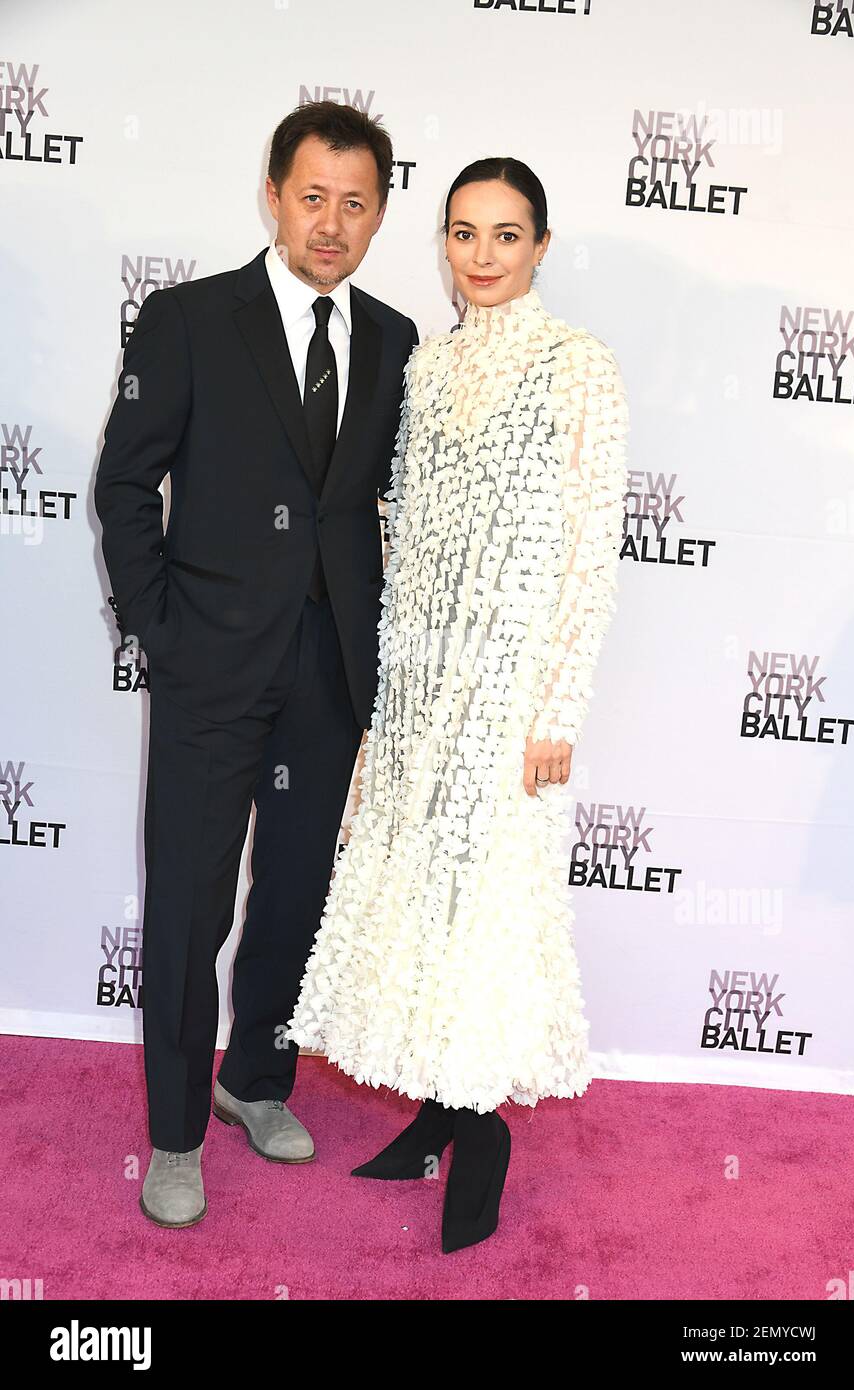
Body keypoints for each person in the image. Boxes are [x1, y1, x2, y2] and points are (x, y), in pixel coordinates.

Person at [287, 157, 630, 1254]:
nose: (481, 256)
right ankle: (438, 1108)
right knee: (421, 899)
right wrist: (386, 699)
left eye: (506, 235)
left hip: (508, 692)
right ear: (442, 242)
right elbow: (403, 538)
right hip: (418, 684)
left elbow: (590, 550)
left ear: (541, 246)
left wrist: (555, 709)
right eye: (463, 233)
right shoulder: (427, 369)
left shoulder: (580, 367)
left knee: (481, 904)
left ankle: (479, 1131)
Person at [94, 101, 418, 1227]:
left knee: (295, 891)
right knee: (190, 904)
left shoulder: (394, 341)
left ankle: (256, 1078)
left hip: (330, 672)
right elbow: (124, 483)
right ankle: (176, 1132)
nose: (331, 223)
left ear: (380, 214)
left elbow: (379, 508)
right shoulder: (190, 319)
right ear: (273, 194)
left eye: (355, 203)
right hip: (209, 665)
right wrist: (160, 630)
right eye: (312, 196)